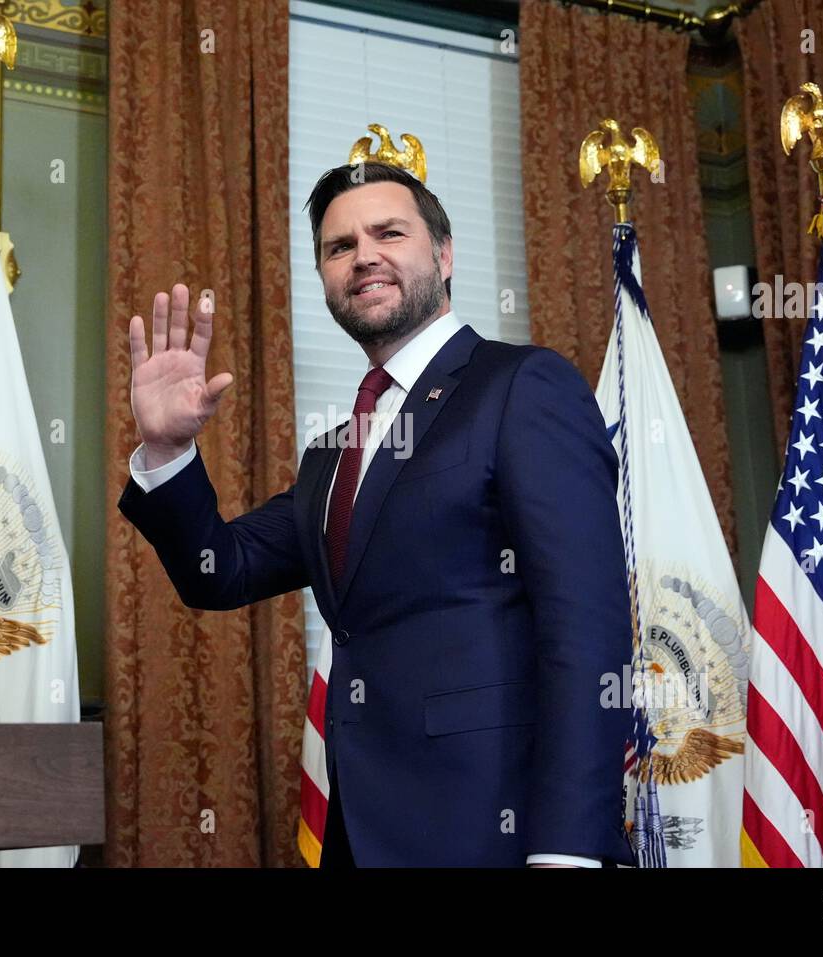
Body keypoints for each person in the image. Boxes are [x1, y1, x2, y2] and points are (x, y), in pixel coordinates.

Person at [119, 162, 633, 867]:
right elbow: (221, 570)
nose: (363, 254)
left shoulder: (522, 385)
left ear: (444, 255)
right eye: (339, 246)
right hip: (358, 837)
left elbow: (588, 629)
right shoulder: (335, 451)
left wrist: (570, 851)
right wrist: (168, 447)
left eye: (389, 232)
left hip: (499, 835)